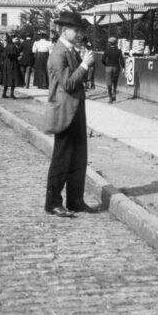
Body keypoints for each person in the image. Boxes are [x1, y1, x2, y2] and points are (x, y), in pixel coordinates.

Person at [43, 11, 98, 217]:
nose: (79, 34)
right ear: (64, 30)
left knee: (78, 158)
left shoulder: (70, 50)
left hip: (75, 108)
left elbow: (77, 80)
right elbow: (68, 83)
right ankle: (53, 202)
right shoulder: (58, 53)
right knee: (62, 157)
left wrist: (83, 63)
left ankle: (75, 200)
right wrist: (84, 65)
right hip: (64, 111)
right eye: (75, 30)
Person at [0, 34, 23, 99]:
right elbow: (12, 55)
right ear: (12, 39)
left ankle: (4, 93)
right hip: (12, 63)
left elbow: (4, 54)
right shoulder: (12, 46)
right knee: (13, 78)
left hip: (6, 63)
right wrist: (18, 56)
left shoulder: (8, 46)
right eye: (15, 39)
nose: (17, 40)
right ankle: (11, 94)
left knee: (6, 78)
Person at [102, 37, 125, 103]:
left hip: (108, 67)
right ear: (116, 43)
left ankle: (110, 98)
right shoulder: (119, 51)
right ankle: (114, 93)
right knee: (115, 81)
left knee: (109, 83)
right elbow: (121, 60)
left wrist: (106, 64)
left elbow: (102, 59)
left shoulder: (107, 50)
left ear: (109, 43)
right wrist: (123, 67)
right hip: (116, 68)